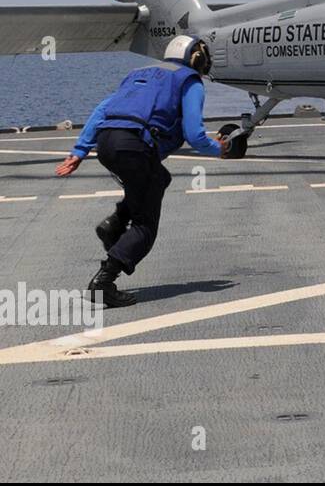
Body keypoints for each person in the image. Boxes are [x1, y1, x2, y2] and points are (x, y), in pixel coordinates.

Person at [54, 35, 229, 307]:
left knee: (159, 178)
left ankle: (115, 223)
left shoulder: (139, 74)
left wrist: (80, 150)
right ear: (198, 59)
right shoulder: (189, 81)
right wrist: (220, 149)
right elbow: (194, 135)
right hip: (134, 147)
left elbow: (101, 110)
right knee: (145, 226)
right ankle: (104, 282)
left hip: (106, 143)